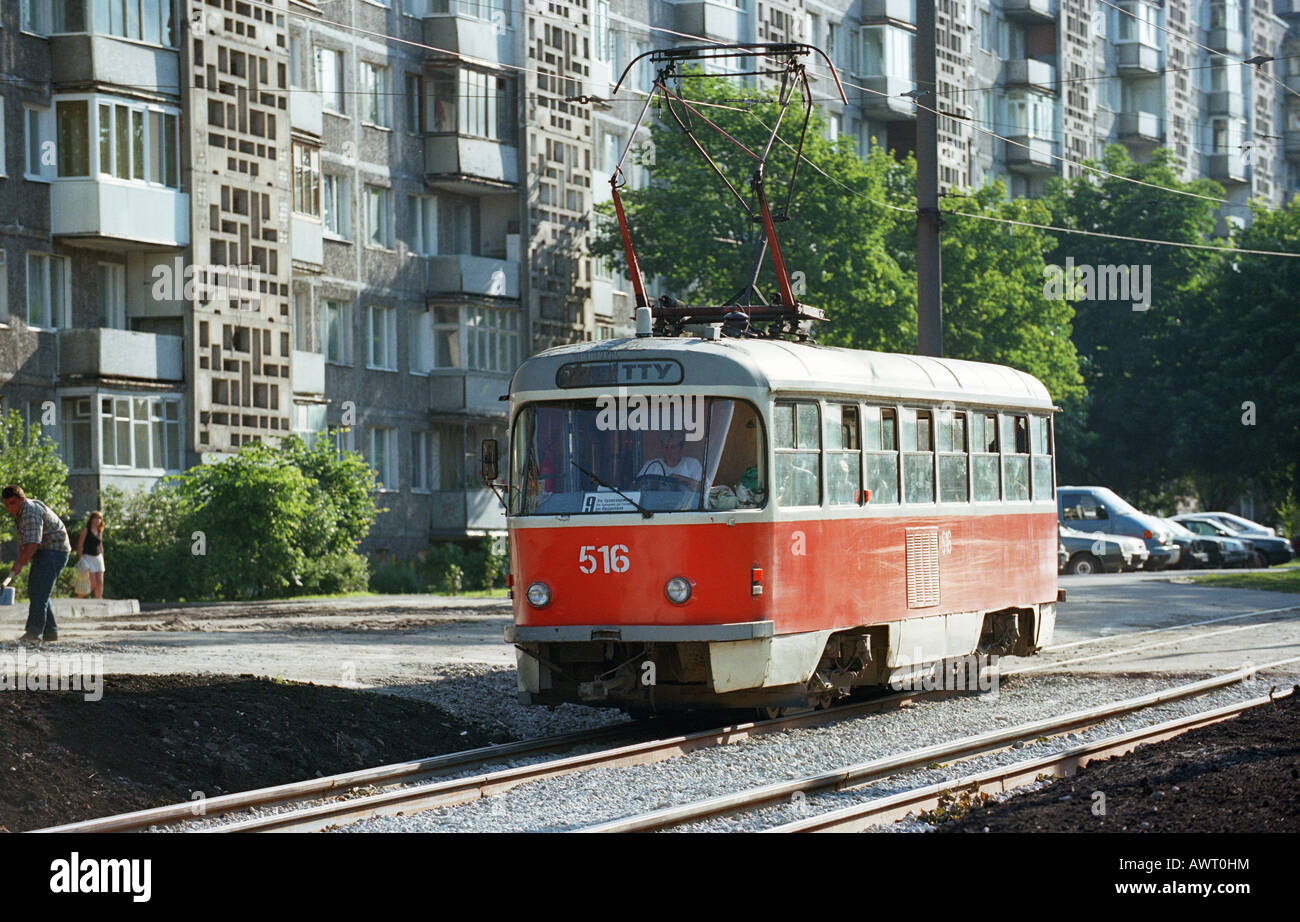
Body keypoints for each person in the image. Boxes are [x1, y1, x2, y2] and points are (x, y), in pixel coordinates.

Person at [3, 485, 71, 644]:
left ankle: (33, 633)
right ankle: (50, 632)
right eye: (6, 504)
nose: (9, 508)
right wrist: (18, 562)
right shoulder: (20, 512)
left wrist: (20, 563)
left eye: (12, 503)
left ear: (21, 499)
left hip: (54, 551)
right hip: (46, 551)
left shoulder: (30, 512)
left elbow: (33, 543)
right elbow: (24, 542)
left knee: (39, 591)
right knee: (38, 591)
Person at [637, 432, 703, 490]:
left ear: (681, 448)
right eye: (665, 447)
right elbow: (635, 486)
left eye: (673, 447)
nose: (669, 451)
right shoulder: (652, 465)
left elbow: (705, 488)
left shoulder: (692, 464)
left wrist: (681, 479)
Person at [75, 511, 107, 600]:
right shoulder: (86, 530)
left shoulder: (99, 531)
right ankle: (78, 599)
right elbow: (80, 545)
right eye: (96, 518)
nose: (98, 520)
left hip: (98, 558)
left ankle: (98, 600)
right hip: (87, 557)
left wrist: (102, 558)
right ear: (92, 519)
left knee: (100, 582)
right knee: (92, 584)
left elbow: (101, 546)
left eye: (100, 518)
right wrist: (81, 559)